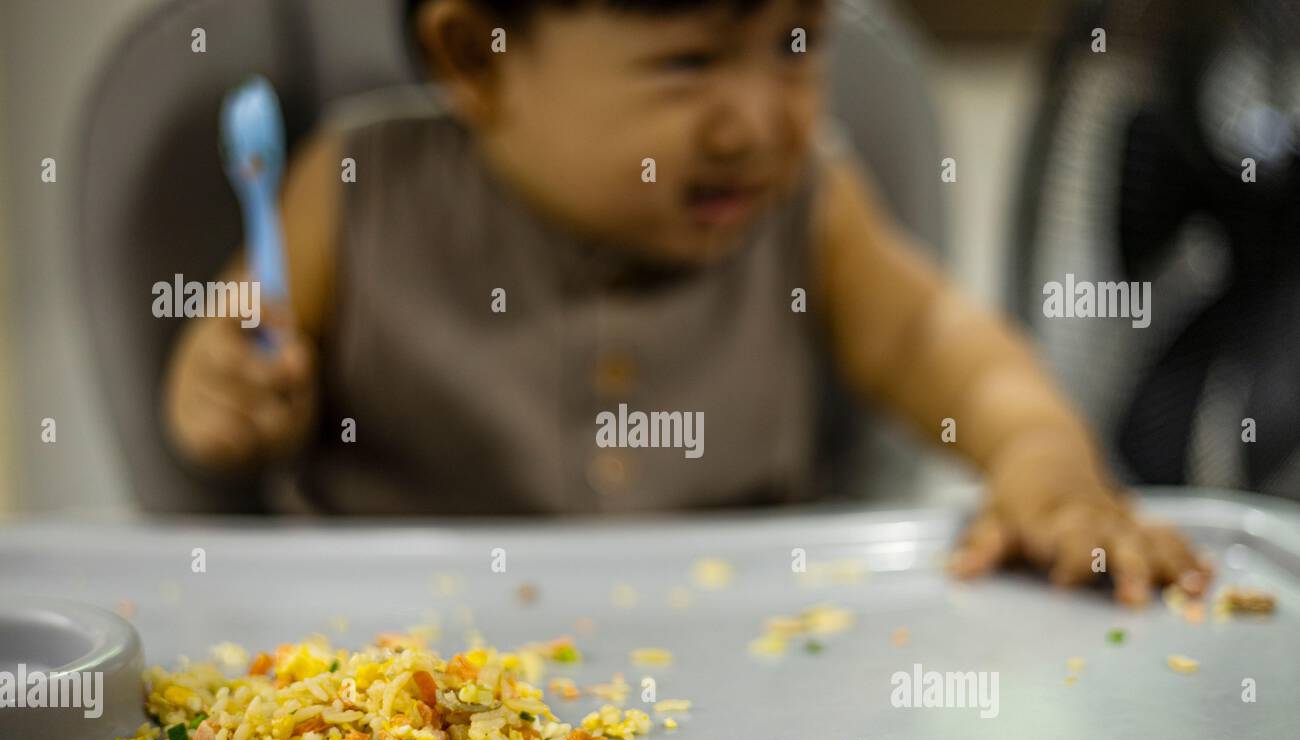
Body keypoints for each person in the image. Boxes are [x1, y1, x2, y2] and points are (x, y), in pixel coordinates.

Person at [162, 0, 1210, 605]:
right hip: (399, 682)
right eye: (690, 61)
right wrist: (234, 397)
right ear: (479, 58)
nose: (757, 119)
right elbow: (237, 365)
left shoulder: (808, 206)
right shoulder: (350, 192)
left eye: (796, 44)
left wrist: (1041, 458)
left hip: (743, 658)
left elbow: (940, 339)